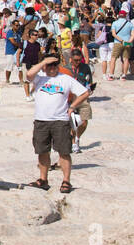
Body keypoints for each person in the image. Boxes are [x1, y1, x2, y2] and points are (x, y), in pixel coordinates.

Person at [26, 55, 90, 194]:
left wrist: (72, 106)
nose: (52, 67)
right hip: (41, 120)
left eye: (55, 65)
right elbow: (29, 74)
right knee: (42, 151)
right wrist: (43, 62)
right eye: (50, 65)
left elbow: (85, 92)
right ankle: (43, 179)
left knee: (64, 151)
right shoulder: (40, 77)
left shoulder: (65, 78)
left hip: (60, 120)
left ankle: (66, 180)